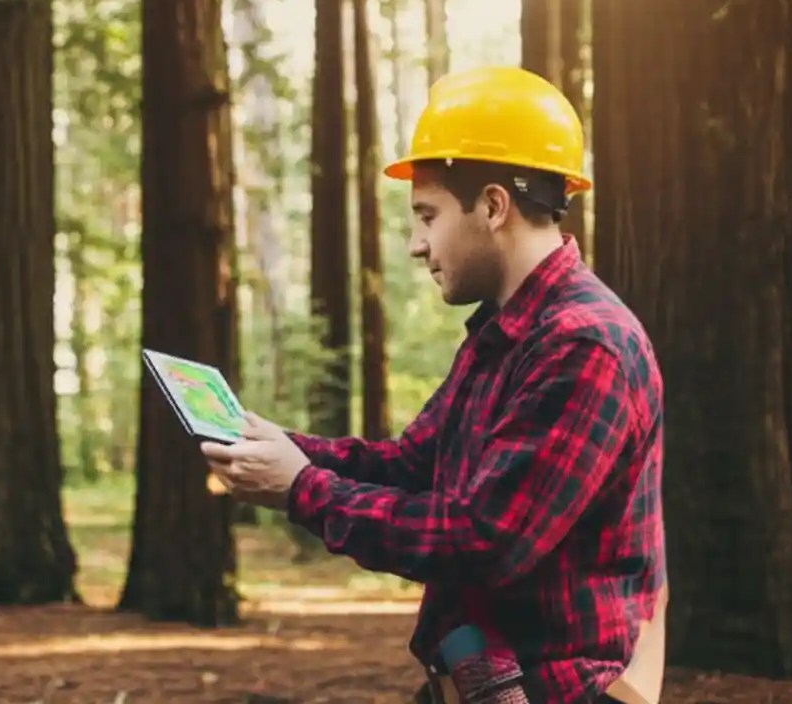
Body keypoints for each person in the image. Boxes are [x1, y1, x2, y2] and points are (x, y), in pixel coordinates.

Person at [201, 65, 667, 704]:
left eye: (428, 215)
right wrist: (286, 448)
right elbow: (414, 464)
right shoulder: (507, 335)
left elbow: (484, 540)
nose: (417, 245)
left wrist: (302, 489)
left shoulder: (582, 346)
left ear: (494, 206)